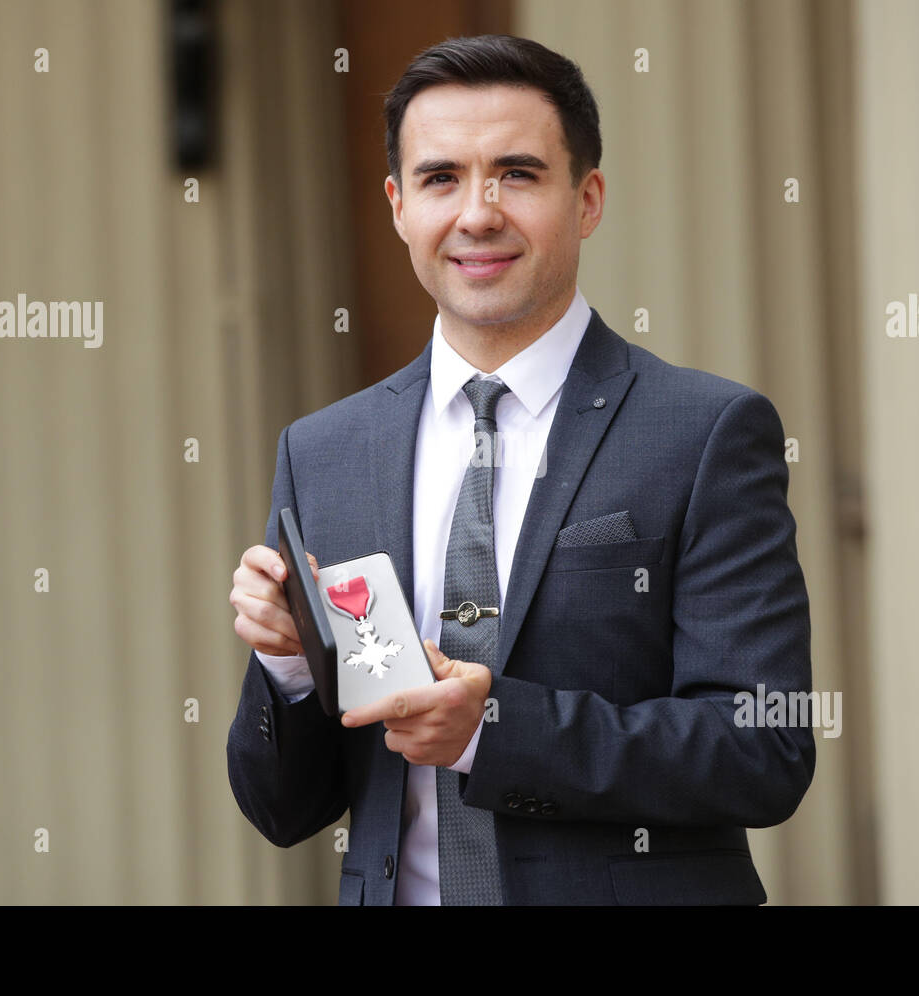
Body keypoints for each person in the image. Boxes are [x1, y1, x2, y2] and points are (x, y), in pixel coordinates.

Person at [226, 34, 814, 905]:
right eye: (440, 179)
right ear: (396, 206)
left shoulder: (705, 433)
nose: (477, 213)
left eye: (518, 174)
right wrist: (289, 666)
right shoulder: (322, 453)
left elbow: (764, 750)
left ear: (588, 199)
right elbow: (283, 809)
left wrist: (490, 728)